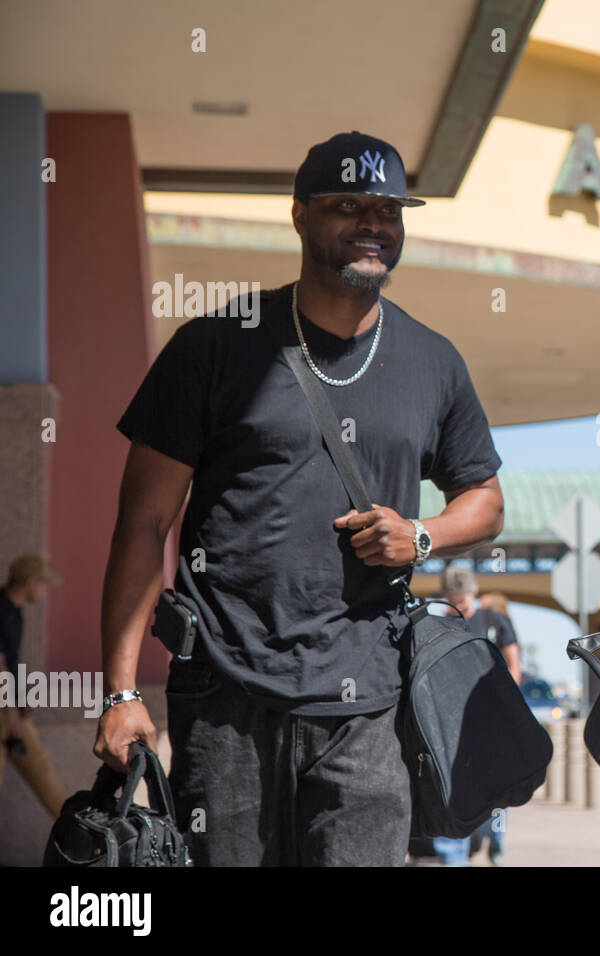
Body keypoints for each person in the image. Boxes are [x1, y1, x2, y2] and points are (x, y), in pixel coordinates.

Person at [93, 131, 505, 866]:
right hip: (225, 698)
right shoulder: (215, 346)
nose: (372, 224)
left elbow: (484, 499)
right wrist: (121, 692)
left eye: (386, 209)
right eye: (348, 206)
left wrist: (421, 535)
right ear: (299, 216)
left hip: (370, 708)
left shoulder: (433, 361)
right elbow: (142, 521)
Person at [421, 568, 518, 866]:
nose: (459, 606)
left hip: (492, 716)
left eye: (463, 600)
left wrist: (507, 706)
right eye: (454, 600)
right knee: (453, 788)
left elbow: (514, 663)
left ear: (473, 594)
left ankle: (495, 839)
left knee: (496, 787)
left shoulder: (494, 621)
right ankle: (454, 858)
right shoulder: (441, 626)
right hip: (454, 720)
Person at [0, 554, 67, 818]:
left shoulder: (15, 612)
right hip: (6, 713)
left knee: (42, 773)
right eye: (42, 584)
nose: (43, 591)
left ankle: (78, 838)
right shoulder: (1, 610)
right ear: (29, 582)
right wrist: (10, 714)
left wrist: (24, 696)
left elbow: (12, 661)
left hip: (13, 711)